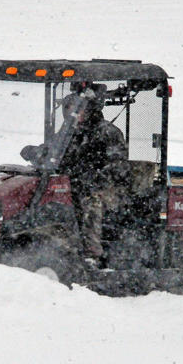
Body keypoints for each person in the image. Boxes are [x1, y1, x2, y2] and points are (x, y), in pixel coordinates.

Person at [58, 84, 129, 261]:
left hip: (108, 188)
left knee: (90, 201)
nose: (74, 113)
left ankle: (91, 255)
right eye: (69, 109)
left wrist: (94, 175)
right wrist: (37, 152)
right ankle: (62, 247)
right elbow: (56, 154)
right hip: (76, 183)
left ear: (90, 110)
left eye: (78, 109)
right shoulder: (69, 132)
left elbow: (118, 167)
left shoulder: (107, 132)